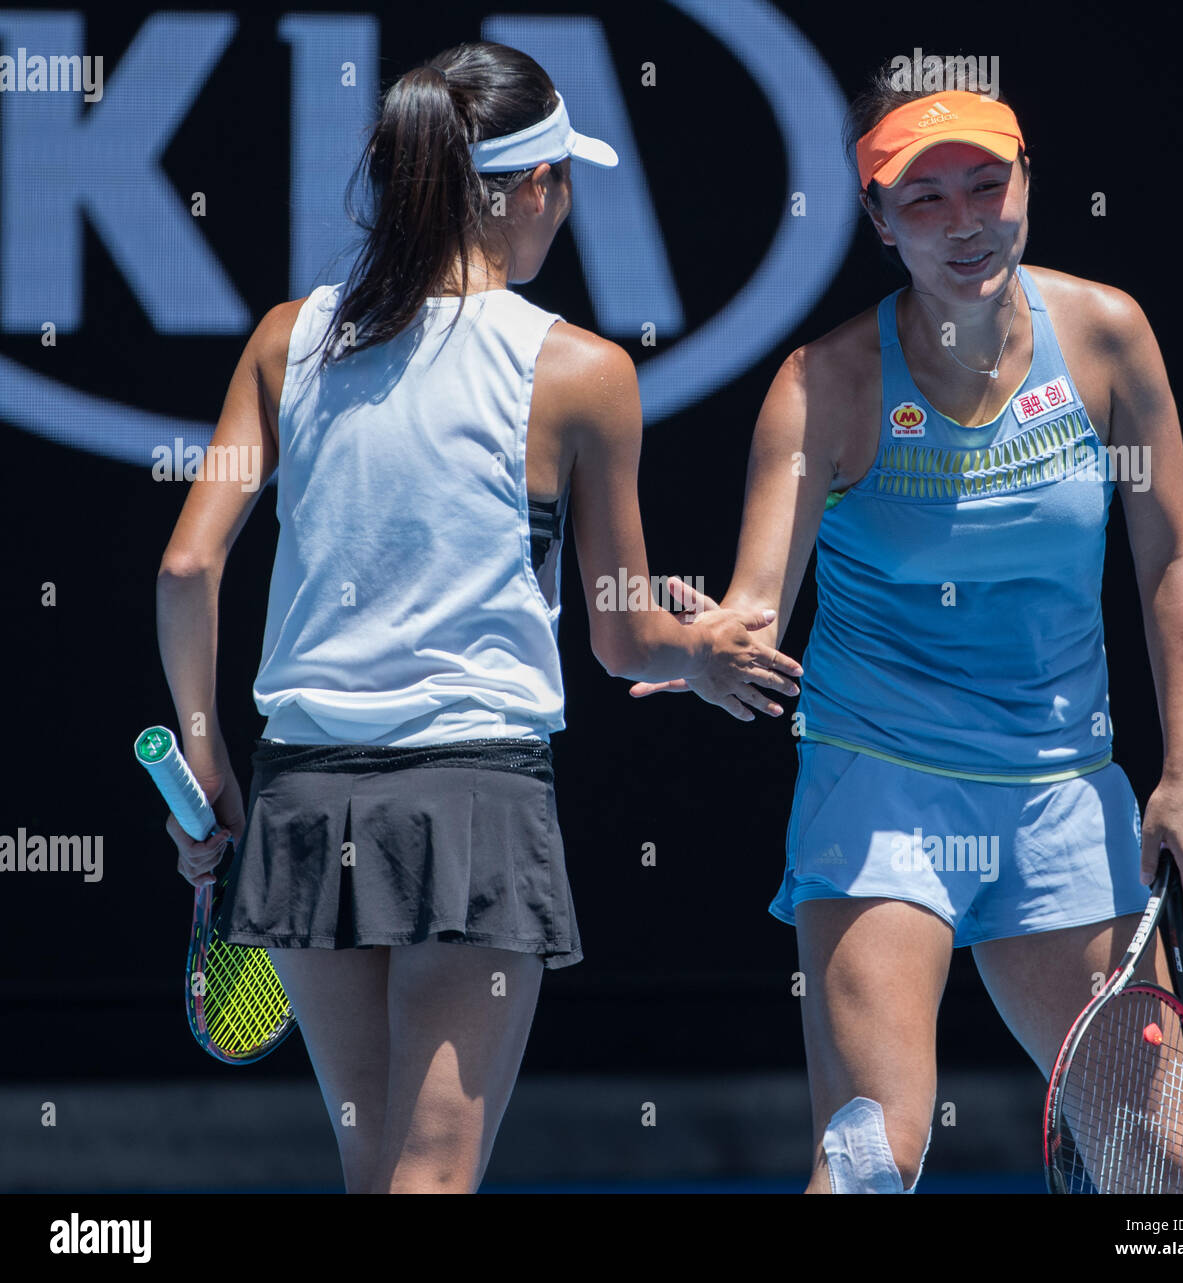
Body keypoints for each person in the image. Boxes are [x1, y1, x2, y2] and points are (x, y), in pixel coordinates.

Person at [155, 41, 801, 1194]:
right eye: (566, 182)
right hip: (471, 802)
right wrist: (702, 652)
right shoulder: (583, 372)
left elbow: (187, 567)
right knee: (435, 1176)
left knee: (378, 1174)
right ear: (539, 187)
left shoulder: (281, 339)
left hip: (304, 797)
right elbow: (618, 635)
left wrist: (205, 756)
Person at [631, 70, 1183, 1193]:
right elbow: (756, 604)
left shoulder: (1105, 338)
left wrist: (1182, 773)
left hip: (1061, 788)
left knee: (1159, 1167)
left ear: (1027, 184)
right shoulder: (823, 386)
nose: (964, 223)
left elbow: (1173, 564)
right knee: (867, 1159)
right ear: (877, 221)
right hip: (881, 789)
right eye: (925, 200)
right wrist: (701, 648)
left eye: (985, 186)